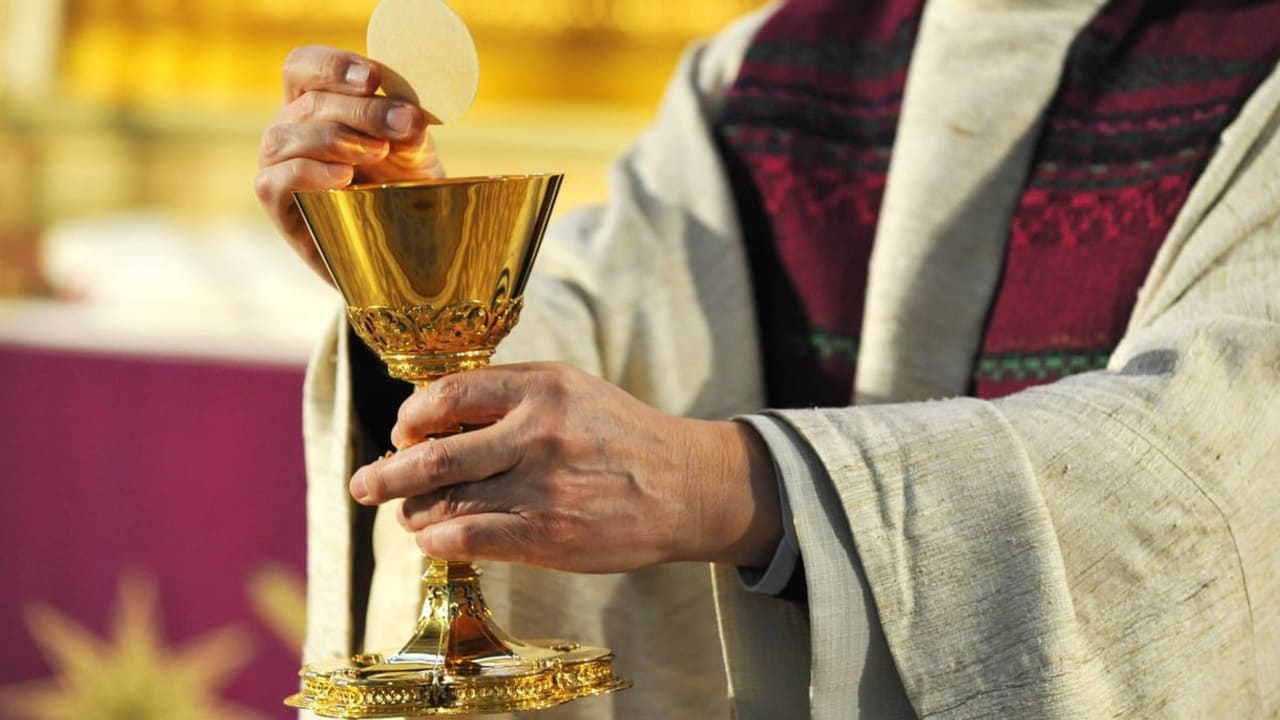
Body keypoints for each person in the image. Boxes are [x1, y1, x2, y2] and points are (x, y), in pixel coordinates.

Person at [256, 0, 1280, 717]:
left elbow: (1207, 465)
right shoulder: (765, 68)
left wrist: (718, 483)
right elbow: (606, 304)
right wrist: (414, 265)